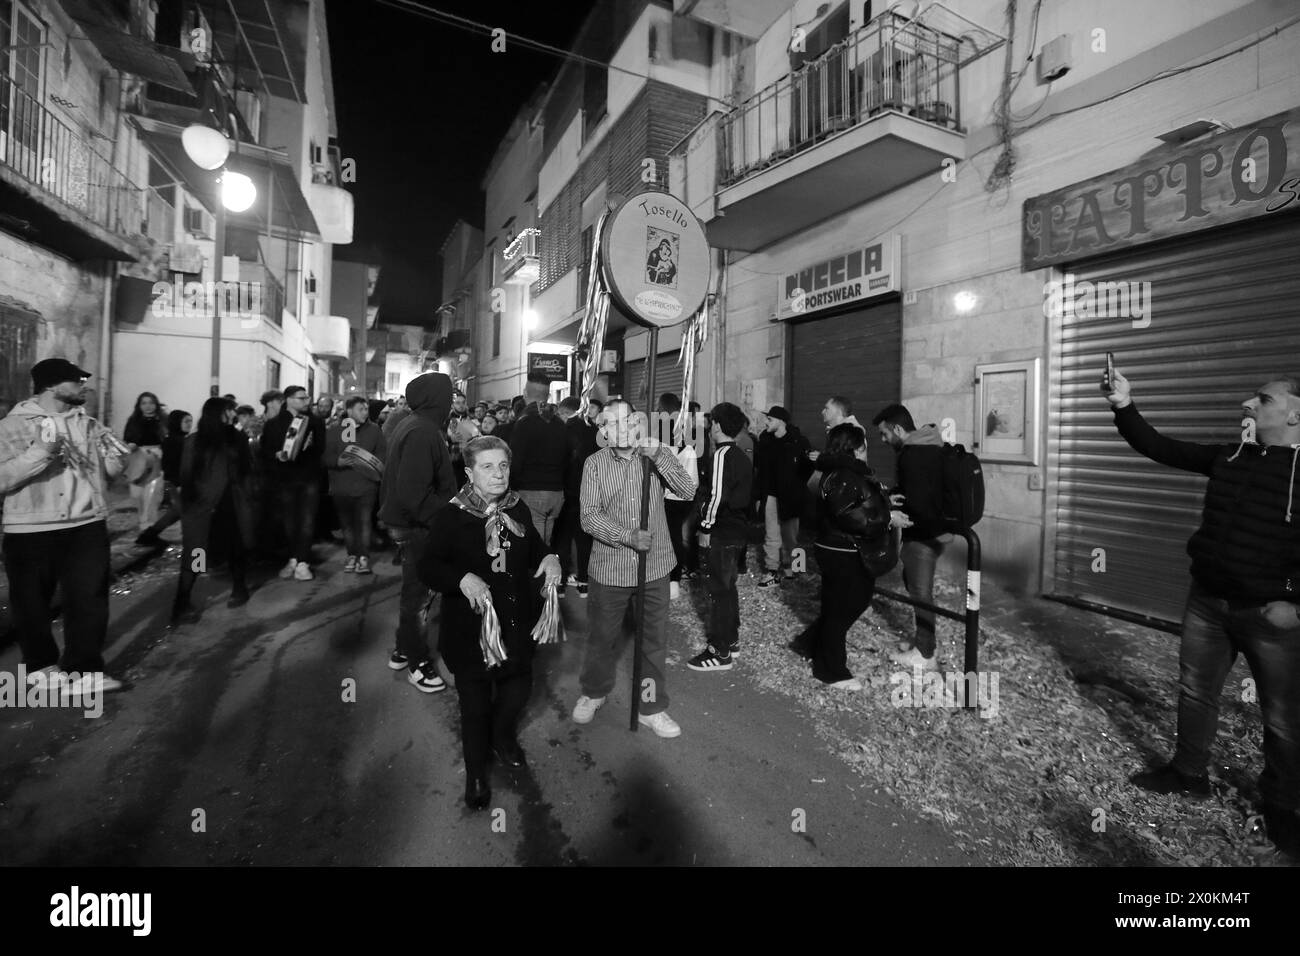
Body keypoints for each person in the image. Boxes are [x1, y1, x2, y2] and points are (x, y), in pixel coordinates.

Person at [1105, 368, 1300, 858]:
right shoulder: (1231, 456)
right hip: (1208, 603)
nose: (1247, 405)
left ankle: (1283, 810)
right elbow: (1160, 447)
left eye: (1263, 399)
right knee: (1196, 692)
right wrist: (1124, 405)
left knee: (1282, 719)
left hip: (1269, 617)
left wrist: (1296, 602)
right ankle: (1188, 774)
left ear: (1296, 413)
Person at [419, 436, 561, 809]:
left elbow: (534, 548)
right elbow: (429, 566)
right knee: (475, 707)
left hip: (516, 626)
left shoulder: (518, 508)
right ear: (469, 472)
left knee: (517, 692)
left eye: (503, 466)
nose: (498, 475)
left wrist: (550, 558)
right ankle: (476, 773)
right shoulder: (451, 516)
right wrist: (460, 579)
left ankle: (502, 738)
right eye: (487, 467)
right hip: (472, 634)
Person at [0, 359, 128, 692]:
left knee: (90, 599)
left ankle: (83, 670)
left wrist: (117, 459)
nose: (84, 385)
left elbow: (108, 474)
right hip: (30, 527)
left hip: (86, 522)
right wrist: (41, 453)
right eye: (77, 380)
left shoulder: (88, 425)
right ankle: (40, 667)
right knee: (31, 603)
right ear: (53, 385)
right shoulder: (11, 426)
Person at [573, 399, 697, 737]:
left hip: (654, 566)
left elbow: (687, 491)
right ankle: (594, 691)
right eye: (611, 424)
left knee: (654, 642)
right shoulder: (594, 464)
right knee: (602, 638)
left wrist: (659, 455)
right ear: (602, 431)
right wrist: (626, 536)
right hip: (609, 568)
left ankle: (651, 707)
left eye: (627, 421)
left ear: (638, 422)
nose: (622, 429)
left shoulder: (655, 456)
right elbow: (589, 516)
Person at [788, 423, 908, 690]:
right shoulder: (844, 474)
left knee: (839, 606)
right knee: (843, 609)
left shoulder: (838, 472)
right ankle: (830, 670)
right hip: (844, 551)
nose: (868, 451)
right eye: (864, 446)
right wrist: (888, 518)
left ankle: (808, 643)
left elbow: (857, 503)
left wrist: (885, 501)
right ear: (855, 448)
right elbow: (851, 516)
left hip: (839, 549)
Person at [379, 372, 458, 694]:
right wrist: (449, 513)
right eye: (449, 395)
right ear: (437, 399)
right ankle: (418, 662)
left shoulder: (416, 425)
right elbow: (414, 493)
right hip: (417, 527)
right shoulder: (422, 431)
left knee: (414, 591)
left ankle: (403, 647)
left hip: (411, 523)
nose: (452, 402)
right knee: (420, 596)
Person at [874, 402, 949, 672]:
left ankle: (925, 653)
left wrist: (890, 508)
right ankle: (924, 640)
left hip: (923, 534)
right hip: (938, 531)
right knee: (917, 588)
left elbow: (917, 500)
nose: (883, 440)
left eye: (884, 434)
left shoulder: (912, 454)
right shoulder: (932, 446)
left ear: (897, 428)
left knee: (920, 592)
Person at [171, 397, 254, 624]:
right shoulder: (195, 441)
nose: (232, 414)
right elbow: (186, 476)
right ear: (217, 413)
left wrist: (247, 496)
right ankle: (183, 601)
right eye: (228, 410)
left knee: (235, 547)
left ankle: (240, 587)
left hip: (232, 503)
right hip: (203, 507)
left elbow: (247, 469)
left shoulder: (236, 438)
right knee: (198, 553)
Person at [688, 402, 752, 671]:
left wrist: (705, 527)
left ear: (717, 425)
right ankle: (731, 641)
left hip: (722, 533)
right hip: (737, 531)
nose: (708, 426)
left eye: (711, 421)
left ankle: (720, 650)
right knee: (728, 590)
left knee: (718, 592)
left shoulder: (722, 455)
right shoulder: (741, 455)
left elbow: (716, 498)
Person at [258, 385, 325, 580]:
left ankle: (303, 561)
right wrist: (276, 454)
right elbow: (264, 451)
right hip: (285, 478)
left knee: (307, 520)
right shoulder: (273, 424)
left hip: (308, 478)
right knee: (289, 521)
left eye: (307, 398)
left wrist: (306, 448)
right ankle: (294, 558)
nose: (306, 401)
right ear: (288, 400)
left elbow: (320, 449)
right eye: (301, 398)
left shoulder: (314, 422)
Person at [326, 396, 386, 574]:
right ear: (349, 410)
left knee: (364, 521)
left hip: (366, 486)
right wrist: (338, 461)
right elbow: (325, 457)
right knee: (347, 524)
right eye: (361, 409)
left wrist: (374, 468)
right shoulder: (335, 431)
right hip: (341, 487)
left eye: (366, 409)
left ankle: (364, 556)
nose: (365, 412)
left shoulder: (375, 430)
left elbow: (383, 454)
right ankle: (352, 554)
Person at [756, 405, 813, 588]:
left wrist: (796, 487)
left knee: (792, 537)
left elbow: (807, 468)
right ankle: (772, 571)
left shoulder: (799, 441)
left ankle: (796, 570)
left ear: (781, 421)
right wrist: (759, 495)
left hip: (791, 496)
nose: (766, 422)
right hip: (770, 495)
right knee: (771, 535)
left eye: (770, 419)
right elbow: (760, 470)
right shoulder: (764, 440)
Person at [509, 373, 569, 545]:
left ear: (525, 394)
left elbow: (516, 460)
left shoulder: (524, 423)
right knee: (544, 543)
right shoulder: (559, 423)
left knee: (531, 547)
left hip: (531, 490)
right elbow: (567, 458)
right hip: (556, 493)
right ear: (548, 396)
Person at [557, 396, 600, 597]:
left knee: (563, 538)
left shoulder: (562, 430)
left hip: (566, 490)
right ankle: (584, 582)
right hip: (589, 491)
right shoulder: (595, 430)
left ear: (567, 412)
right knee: (585, 539)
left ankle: (562, 583)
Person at [656, 393, 698, 599]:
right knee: (679, 537)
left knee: (671, 538)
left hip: (671, 496)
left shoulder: (666, 435)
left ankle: (673, 579)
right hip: (687, 497)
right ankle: (677, 577)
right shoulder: (690, 436)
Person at [136, 409, 192, 545]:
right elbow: (171, 464)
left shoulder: (178, 440)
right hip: (177, 482)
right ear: (176, 422)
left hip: (178, 481)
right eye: (186, 421)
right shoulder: (175, 441)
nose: (189, 424)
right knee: (180, 510)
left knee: (179, 511)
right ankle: (149, 535)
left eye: (190, 421)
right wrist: (177, 483)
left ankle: (149, 535)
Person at [124, 391, 167, 531]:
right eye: (144, 403)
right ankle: (143, 522)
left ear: (156, 404)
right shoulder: (134, 421)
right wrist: (131, 445)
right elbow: (128, 439)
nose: (148, 406)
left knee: (153, 493)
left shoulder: (163, 421)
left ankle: (149, 526)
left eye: (151, 403)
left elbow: (167, 440)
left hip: (157, 457)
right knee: (138, 494)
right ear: (139, 405)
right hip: (138, 457)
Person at [808, 396, 866, 468]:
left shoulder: (852, 431)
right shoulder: (839, 430)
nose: (822, 412)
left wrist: (823, 458)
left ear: (838, 411)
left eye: (826, 408)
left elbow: (852, 463)